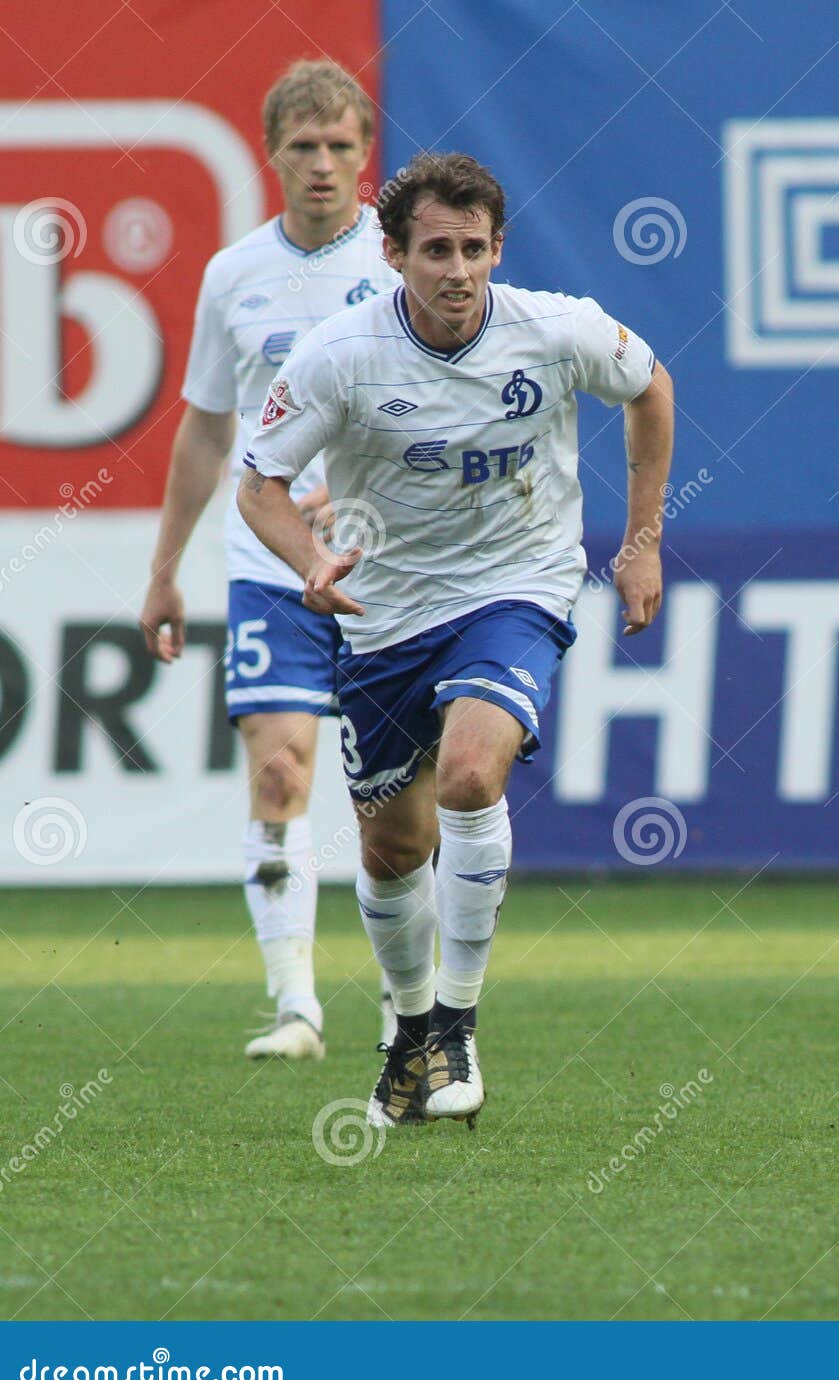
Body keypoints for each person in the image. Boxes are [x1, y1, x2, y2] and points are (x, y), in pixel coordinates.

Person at [237, 151, 673, 1128]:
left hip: (518, 586)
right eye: (435, 250)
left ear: (498, 249)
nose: (457, 270)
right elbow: (258, 482)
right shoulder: (340, 355)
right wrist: (308, 556)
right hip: (384, 615)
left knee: (474, 774)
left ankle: (457, 1027)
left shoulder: (555, 329)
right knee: (393, 847)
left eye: (474, 249)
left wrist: (641, 544)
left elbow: (650, 388)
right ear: (393, 254)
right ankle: (406, 1030)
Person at [139, 59, 402, 1061]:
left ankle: (407, 1007)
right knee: (283, 772)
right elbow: (209, 430)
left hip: (390, 567)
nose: (324, 164)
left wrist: (374, 488)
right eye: (304, 146)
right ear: (272, 153)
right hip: (270, 564)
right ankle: (295, 1007)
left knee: (392, 802)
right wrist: (165, 567)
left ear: (365, 152)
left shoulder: (403, 265)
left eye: (341, 145)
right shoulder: (233, 274)